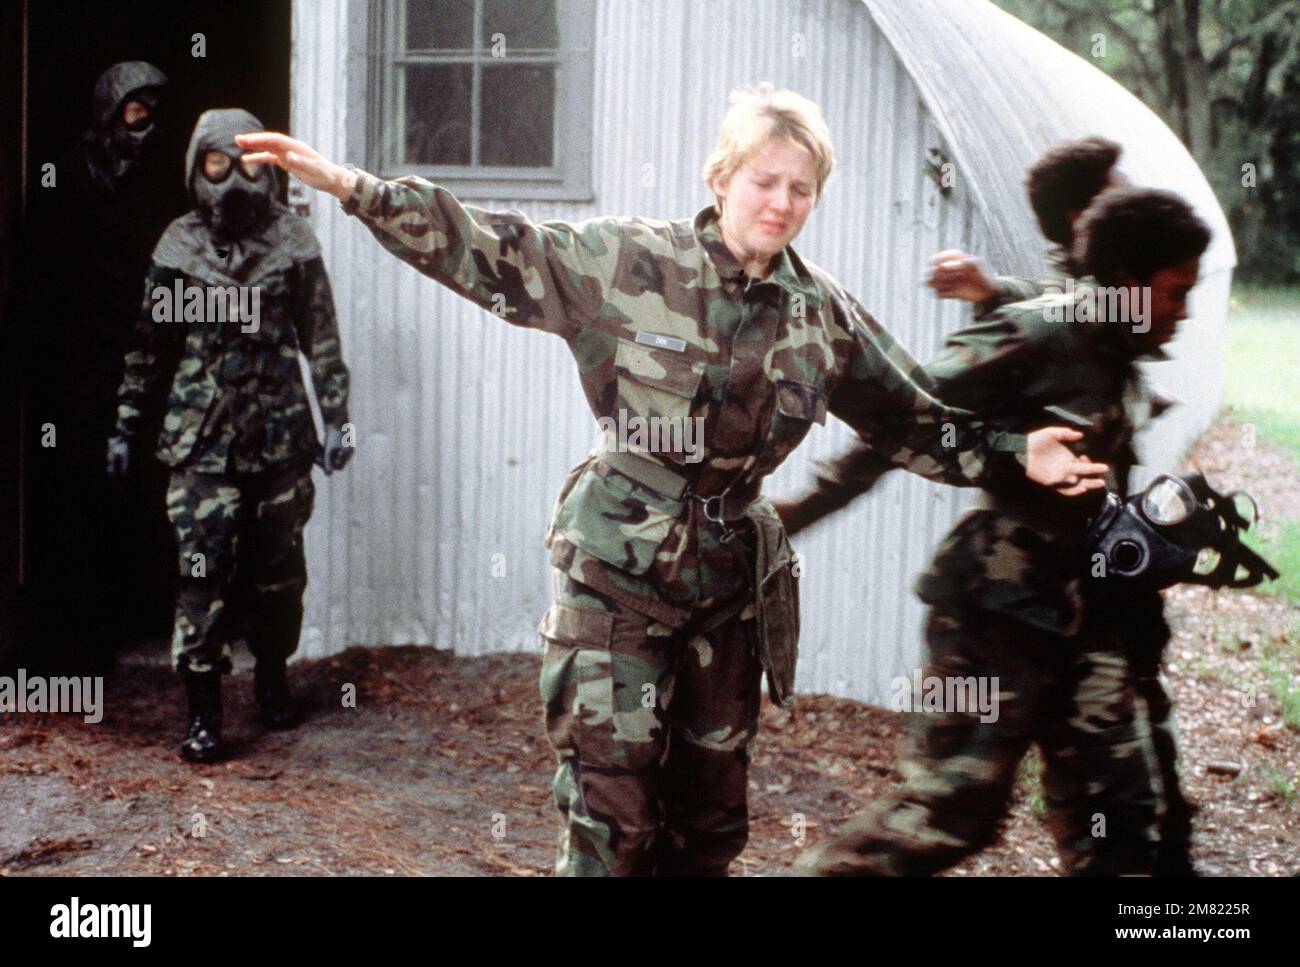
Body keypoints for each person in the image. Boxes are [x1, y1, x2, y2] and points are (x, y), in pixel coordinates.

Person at [237, 83, 1106, 876]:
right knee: (612, 825)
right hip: (618, 575)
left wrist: (1015, 451)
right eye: (766, 180)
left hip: (728, 592)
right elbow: (492, 248)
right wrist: (355, 187)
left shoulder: (821, 314)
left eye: (802, 189)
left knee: (709, 828)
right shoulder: (626, 263)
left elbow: (911, 417)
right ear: (723, 177)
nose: (782, 203)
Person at [779, 137, 1194, 875]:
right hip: (997, 619)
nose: (1185, 311)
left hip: (1091, 628)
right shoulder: (1040, 330)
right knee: (948, 815)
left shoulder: (1122, 346)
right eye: (1175, 291)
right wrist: (794, 513)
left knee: (1129, 832)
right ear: (1131, 279)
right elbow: (902, 414)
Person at [107, 109, 354, 763]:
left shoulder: (293, 242)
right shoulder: (177, 247)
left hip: (278, 439)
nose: (235, 181)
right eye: (218, 165)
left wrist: (337, 419)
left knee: (279, 574)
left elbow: (321, 342)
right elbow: (147, 348)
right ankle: (204, 711)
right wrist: (126, 426)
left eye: (248, 165)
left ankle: (273, 681)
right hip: (201, 440)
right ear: (196, 167)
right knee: (201, 573)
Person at [18, 61, 183, 673]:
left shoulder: (160, 181)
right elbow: (41, 269)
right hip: (78, 360)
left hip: (138, 355)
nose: (146, 128)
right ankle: (70, 642)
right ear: (110, 112)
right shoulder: (64, 176)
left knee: (138, 491)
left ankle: (126, 624)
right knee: (72, 497)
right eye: (136, 113)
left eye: (154, 115)